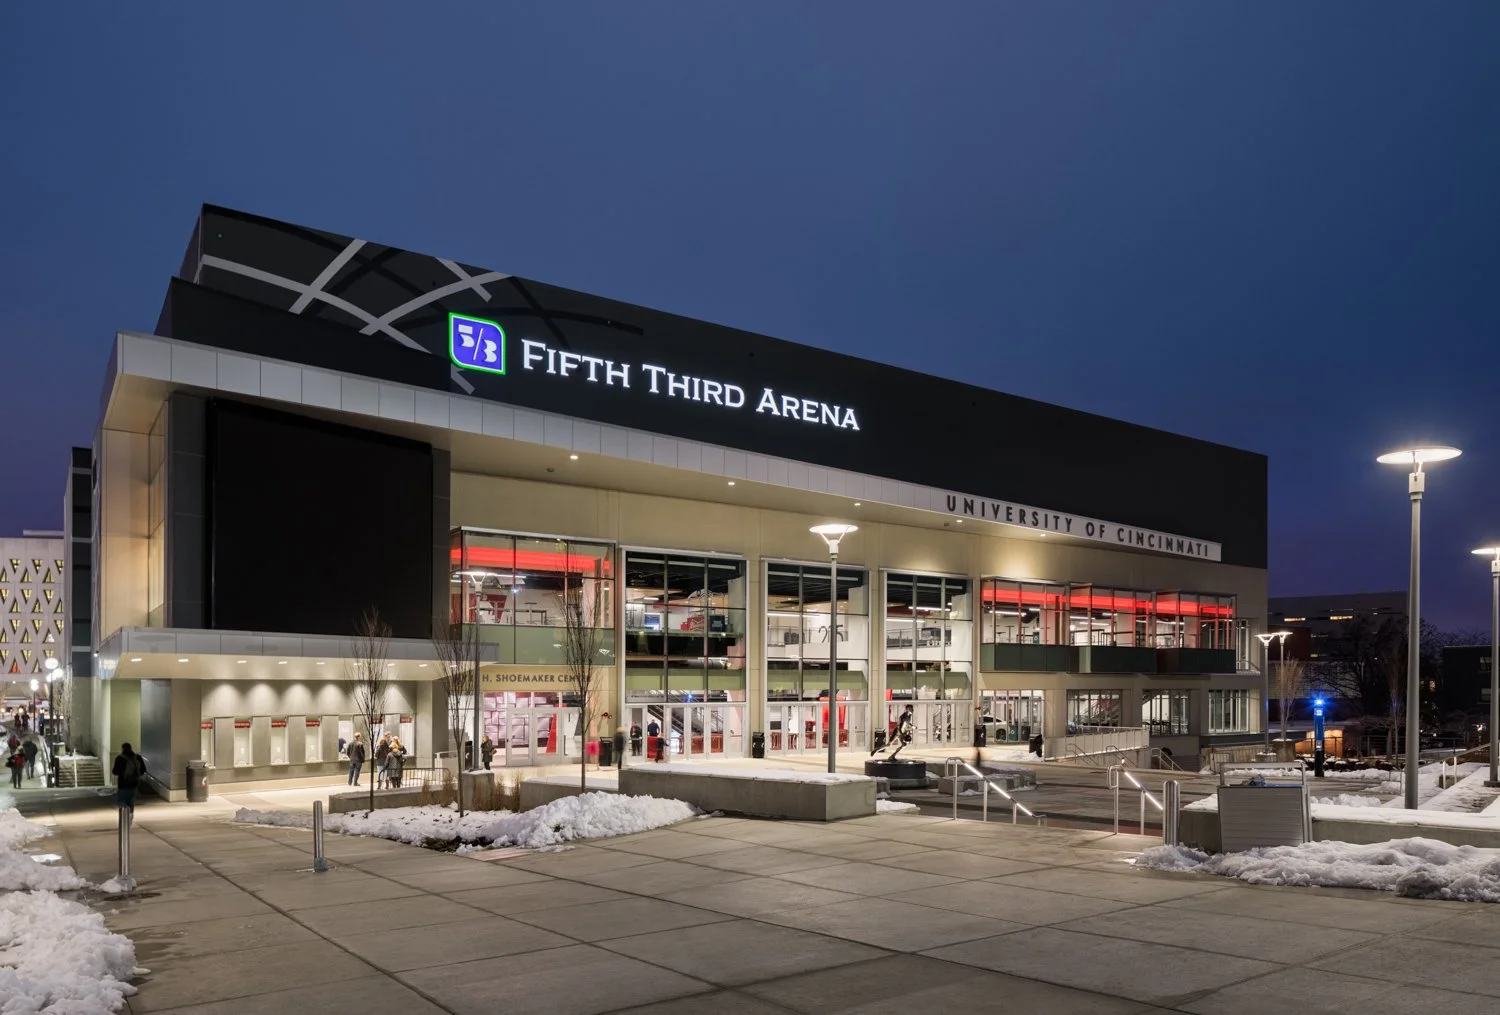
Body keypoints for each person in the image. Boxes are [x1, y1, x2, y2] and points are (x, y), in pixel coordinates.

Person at [112, 743, 146, 820]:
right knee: (131, 801)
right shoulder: (138, 757)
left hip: (123, 784)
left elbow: (115, 771)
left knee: (121, 801)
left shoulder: (120, 758)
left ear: (123, 749)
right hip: (134, 783)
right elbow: (143, 770)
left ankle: (125, 817)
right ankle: (130, 815)